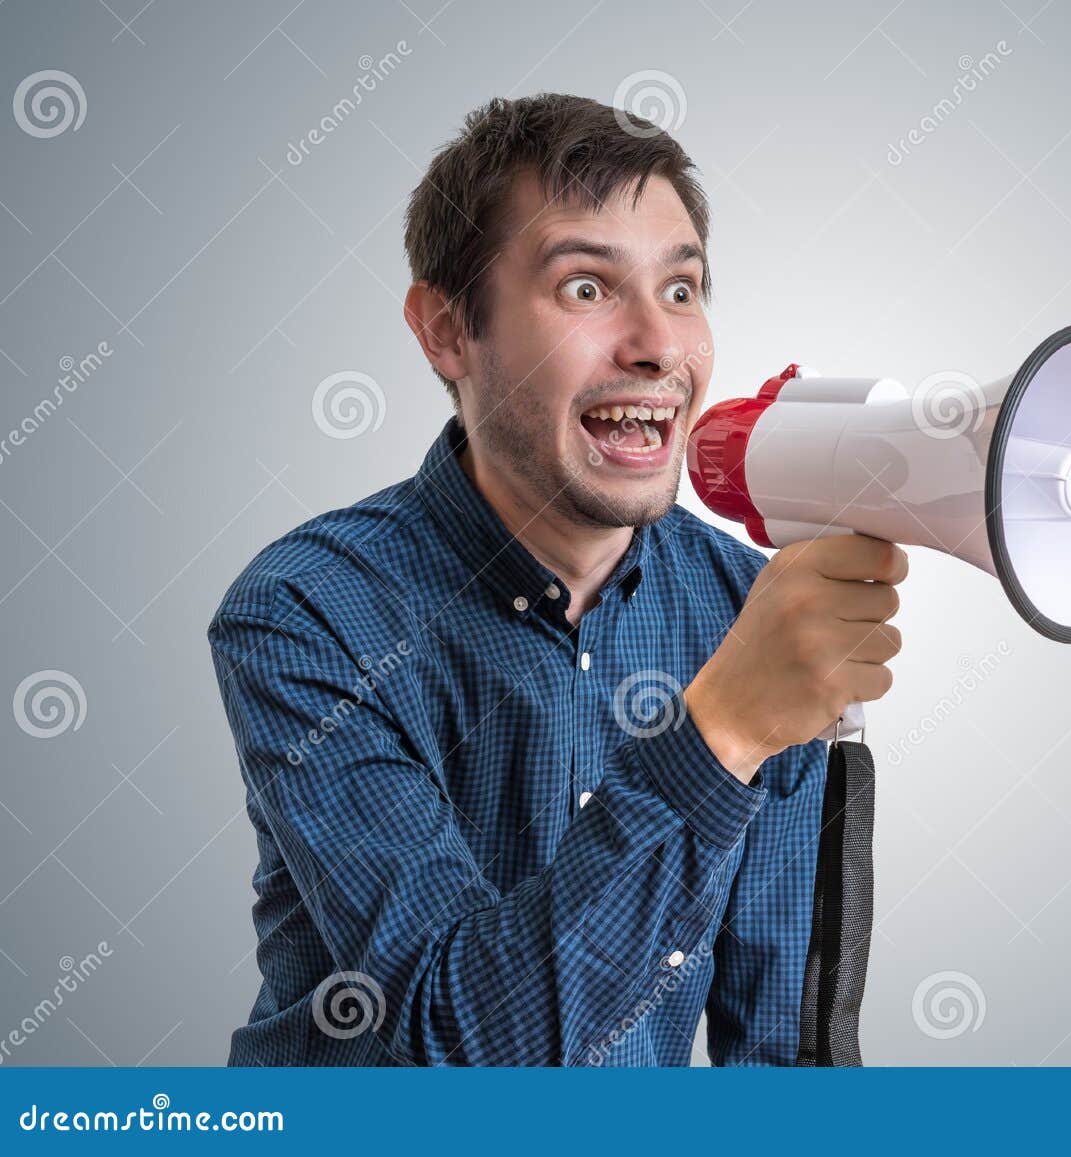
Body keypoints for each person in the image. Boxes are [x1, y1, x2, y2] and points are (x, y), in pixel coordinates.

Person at [207, 93, 905, 1066]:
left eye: (680, 287)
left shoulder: (755, 609)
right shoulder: (310, 611)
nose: (658, 346)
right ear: (448, 331)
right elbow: (459, 1047)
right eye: (586, 288)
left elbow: (784, 1051)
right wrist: (724, 728)